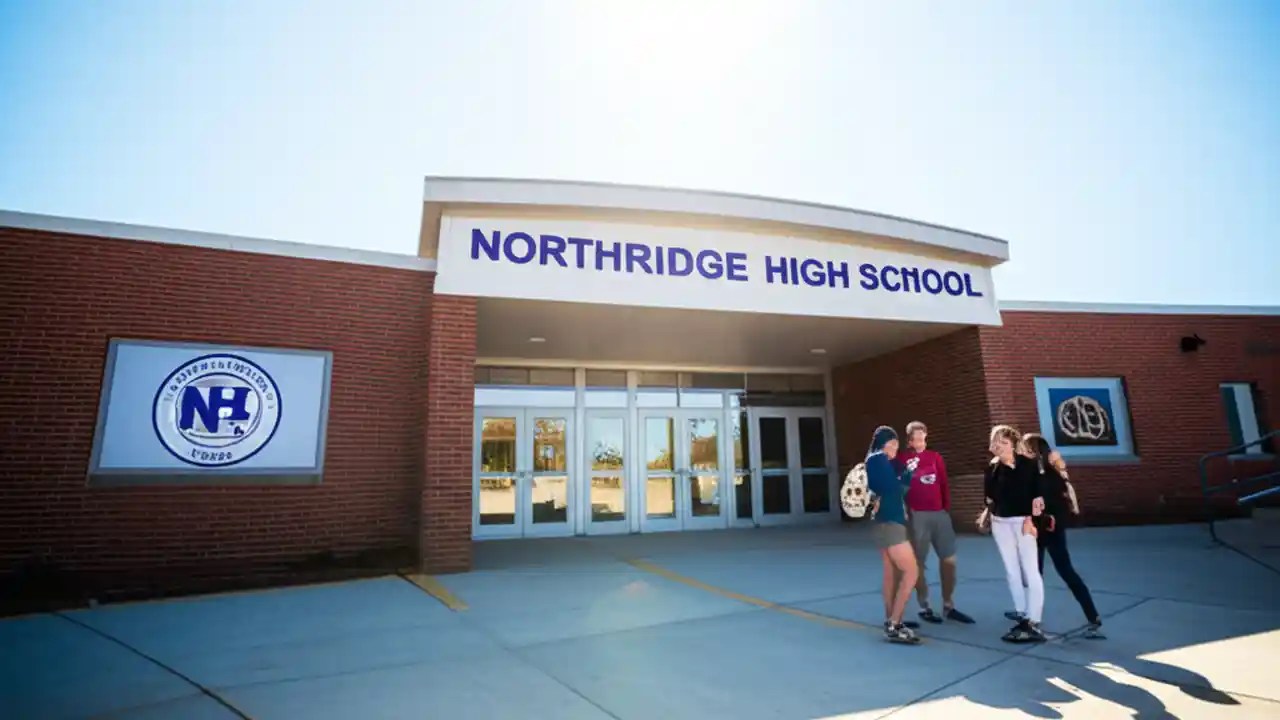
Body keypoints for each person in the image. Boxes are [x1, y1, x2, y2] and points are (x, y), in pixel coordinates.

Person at [1021, 433, 1105, 639]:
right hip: (1055, 529)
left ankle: (1030, 621)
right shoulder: (1056, 474)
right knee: (1067, 571)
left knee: (1034, 576)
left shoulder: (1030, 475)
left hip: (1037, 530)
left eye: (1023, 449)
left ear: (1030, 451)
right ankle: (1092, 615)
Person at [896, 420, 974, 625]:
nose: (920, 440)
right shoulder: (903, 460)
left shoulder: (935, 457)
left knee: (949, 560)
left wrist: (945, 509)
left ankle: (949, 605)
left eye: (923, 436)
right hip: (917, 515)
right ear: (910, 440)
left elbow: (943, 483)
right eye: (916, 437)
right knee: (918, 563)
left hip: (939, 513)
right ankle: (925, 606)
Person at [977, 424, 1048, 642]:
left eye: (1004, 443)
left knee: (1030, 570)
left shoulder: (1028, 465)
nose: (999, 446)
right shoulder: (993, 468)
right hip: (1001, 522)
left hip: (1024, 522)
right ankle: (1021, 612)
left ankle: (1034, 620)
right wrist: (988, 513)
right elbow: (990, 497)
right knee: (1011, 570)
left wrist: (1031, 519)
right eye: (996, 442)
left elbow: (1038, 495)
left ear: (1014, 445)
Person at [865, 425, 921, 644]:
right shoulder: (878, 459)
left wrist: (905, 475)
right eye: (893, 442)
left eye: (897, 443)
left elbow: (897, 489)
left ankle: (891, 617)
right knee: (911, 571)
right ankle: (895, 624)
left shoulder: (878, 461)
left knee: (890, 572)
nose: (896, 447)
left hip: (883, 522)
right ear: (883, 442)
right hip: (891, 522)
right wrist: (907, 473)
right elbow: (893, 489)